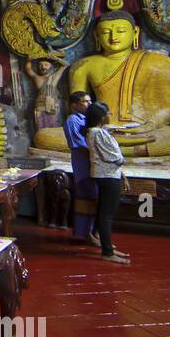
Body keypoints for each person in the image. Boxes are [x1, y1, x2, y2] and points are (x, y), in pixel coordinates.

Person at [84, 101, 130, 264]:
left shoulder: (97, 132)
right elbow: (110, 156)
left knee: (104, 212)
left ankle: (103, 243)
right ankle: (107, 251)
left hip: (108, 174)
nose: (110, 116)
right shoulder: (97, 133)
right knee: (106, 214)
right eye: (108, 113)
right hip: (107, 175)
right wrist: (122, 160)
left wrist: (122, 174)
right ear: (101, 117)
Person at [63, 91, 98, 246]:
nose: (89, 104)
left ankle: (93, 232)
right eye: (85, 102)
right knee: (86, 197)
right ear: (74, 105)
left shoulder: (89, 120)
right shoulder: (72, 120)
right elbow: (78, 144)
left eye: (90, 101)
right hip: (83, 162)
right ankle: (86, 234)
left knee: (95, 197)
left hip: (94, 162)